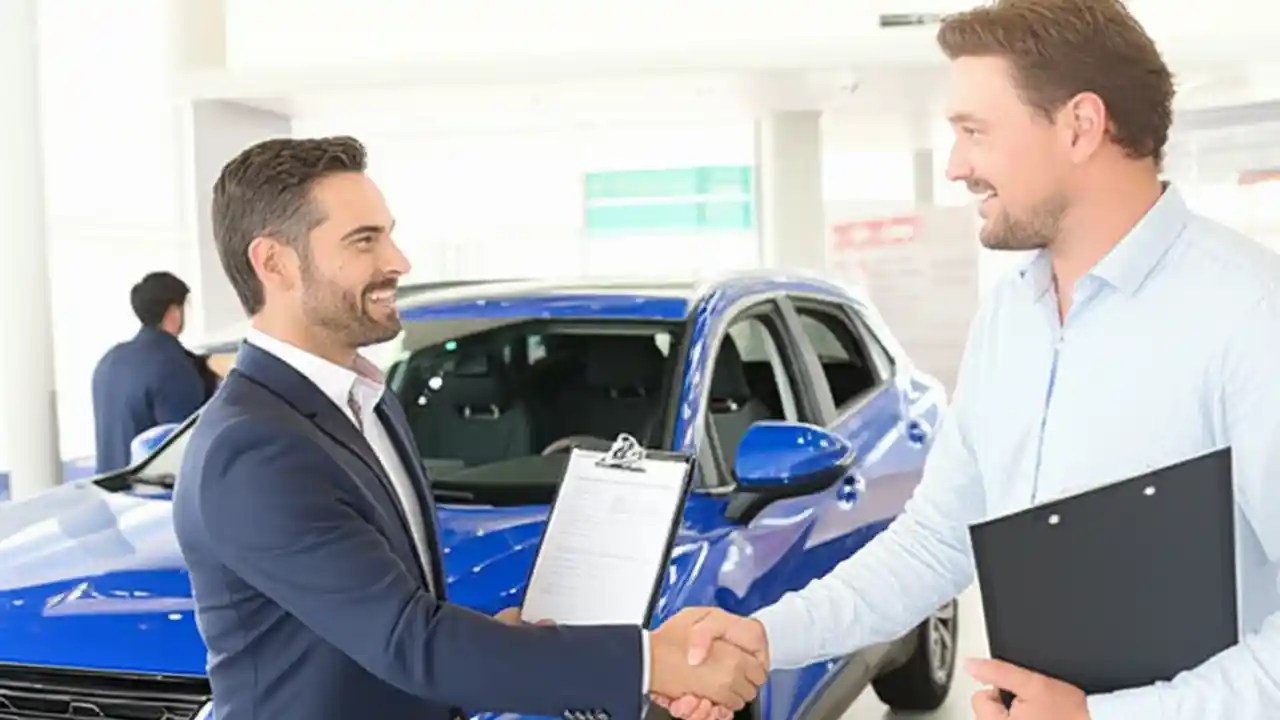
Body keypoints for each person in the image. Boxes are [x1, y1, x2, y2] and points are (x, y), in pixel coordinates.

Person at [658, 1, 1280, 719]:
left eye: (974, 132)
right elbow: (936, 545)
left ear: (1080, 125)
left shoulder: (1249, 315)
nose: (957, 166)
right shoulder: (1011, 317)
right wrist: (765, 636)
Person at [169, 136, 767, 720]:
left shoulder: (368, 401)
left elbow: (403, 613)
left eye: (389, 235)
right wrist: (651, 661)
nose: (397, 261)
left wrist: (491, 641)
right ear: (274, 262)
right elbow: (414, 643)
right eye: (364, 241)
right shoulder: (253, 446)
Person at [91, 271, 207, 473]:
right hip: (156, 497)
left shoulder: (109, 360)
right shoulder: (173, 366)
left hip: (113, 494)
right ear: (174, 312)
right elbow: (188, 449)